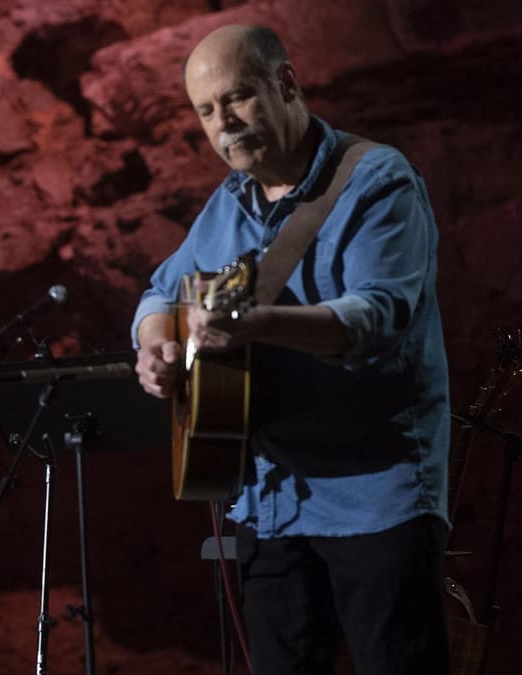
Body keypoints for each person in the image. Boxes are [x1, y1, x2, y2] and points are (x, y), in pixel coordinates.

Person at [131, 25, 450, 675]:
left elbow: (375, 318)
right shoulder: (227, 206)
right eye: (206, 111)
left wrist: (255, 324)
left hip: (374, 497)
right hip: (271, 503)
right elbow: (158, 292)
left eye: (237, 97)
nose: (224, 123)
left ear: (286, 84)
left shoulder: (377, 180)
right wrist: (156, 345)